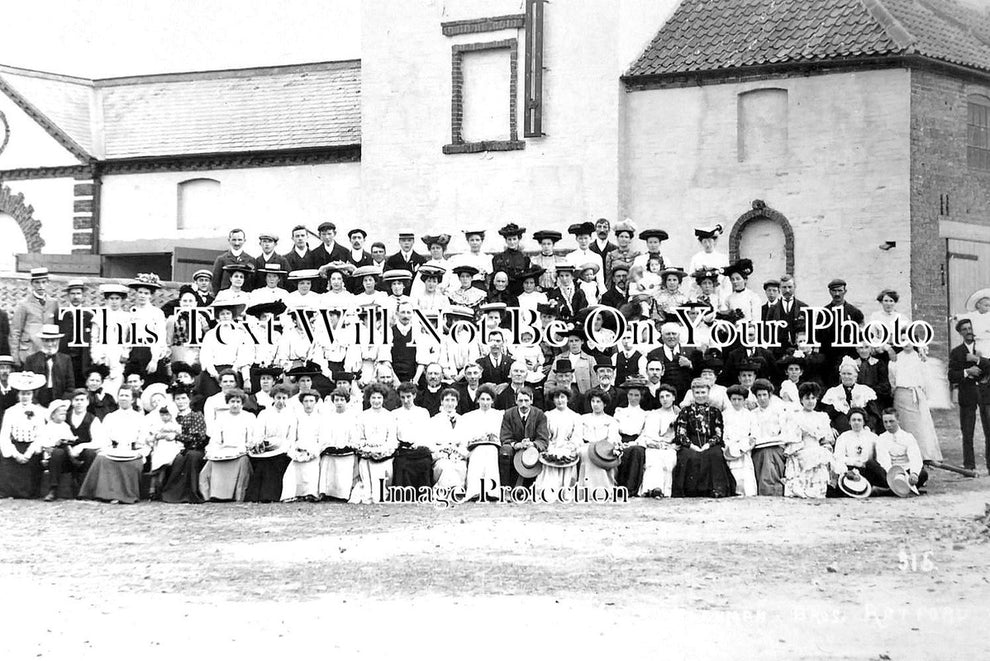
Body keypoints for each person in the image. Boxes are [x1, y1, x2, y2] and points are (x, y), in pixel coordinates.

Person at [77, 386, 149, 504]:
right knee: (101, 458)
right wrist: (106, 448)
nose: (123, 398)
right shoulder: (110, 417)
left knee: (130, 463)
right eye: (121, 395)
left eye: (127, 396)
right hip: (114, 449)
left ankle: (123, 495)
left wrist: (139, 450)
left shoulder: (140, 418)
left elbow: (144, 439)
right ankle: (100, 494)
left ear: (132, 399)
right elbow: (104, 438)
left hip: (132, 451)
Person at [671, 378, 734, 498]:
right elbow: (681, 433)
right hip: (690, 443)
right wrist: (692, 446)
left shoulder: (715, 411)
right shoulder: (685, 411)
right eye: (697, 393)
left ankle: (716, 489)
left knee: (715, 454)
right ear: (693, 394)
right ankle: (690, 490)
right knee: (688, 455)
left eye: (703, 392)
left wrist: (708, 445)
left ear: (708, 393)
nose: (700, 396)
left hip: (709, 443)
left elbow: (718, 434)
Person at [783, 382, 839, 499]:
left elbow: (826, 439)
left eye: (813, 398)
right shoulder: (796, 417)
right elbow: (793, 439)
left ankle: (818, 491)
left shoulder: (822, 417)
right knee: (814, 455)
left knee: (821, 454)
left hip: (818, 449)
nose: (810, 401)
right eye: (807, 398)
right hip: (802, 449)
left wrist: (826, 447)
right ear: (801, 400)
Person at [948, 318, 990, 471]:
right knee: (967, 431)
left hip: (986, 393)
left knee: (989, 429)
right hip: (967, 393)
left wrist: (977, 360)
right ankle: (969, 466)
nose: (968, 331)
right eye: (964, 329)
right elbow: (951, 375)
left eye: (970, 328)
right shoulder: (956, 352)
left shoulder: (984, 346)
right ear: (960, 333)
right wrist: (967, 372)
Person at [889, 341, 942, 462]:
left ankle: (923, 456)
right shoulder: (896, 359)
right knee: (903, 426)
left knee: (919, 426)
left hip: (916, 396)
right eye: (903, 340)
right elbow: (892, 378)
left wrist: (924, 395)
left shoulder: (920, 358)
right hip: (901, 396)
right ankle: (904, 457)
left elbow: (926, 378)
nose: (906, 343)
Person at [200, 389, 255, 502]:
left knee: (243, 461)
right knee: (208, 467)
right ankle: (213, 494)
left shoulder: (249, 417)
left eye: (238, 402)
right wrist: (214, 449)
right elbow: (216, 438)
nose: (235, 405)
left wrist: (245, 447)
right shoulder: (221, 417)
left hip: (240, 451)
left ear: (242, 403)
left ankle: (236, 495)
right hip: (223, 450)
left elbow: (251, 438)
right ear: (228, 403)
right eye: (232, 401)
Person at [0, 371, 48, 498]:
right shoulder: (10, 411)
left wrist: (28, 454)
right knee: (7, 466)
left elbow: (40, 435)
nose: (25, 397)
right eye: (22, 394)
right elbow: (4, 435)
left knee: (30, 480)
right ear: (18, 395)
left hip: (31, 448)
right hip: (15, 447)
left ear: (32, 395)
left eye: (28, 394)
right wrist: (16, 454)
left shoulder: (39, 411)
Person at [245, 384, 294, 503]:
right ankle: (258, 495)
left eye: (284, 398)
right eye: (278, 398)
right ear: (273, 398)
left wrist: (284, 447)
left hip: (283, 447)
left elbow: (291, 437)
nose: (281, 401)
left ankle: (271, 495)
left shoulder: (291, 415)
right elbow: (259, 433)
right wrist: (261, 444)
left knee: (277, 461)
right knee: (264, 463)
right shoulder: (264, 414)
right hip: (267, 447)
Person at [160, 385, 209, 504]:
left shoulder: (196, 416)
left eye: (183, 398)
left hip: (194, 448)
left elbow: (198, 438)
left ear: (189, 399)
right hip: (173, 447)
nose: (181, 402)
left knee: (190, 456)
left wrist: (176, 436)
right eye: (178, 399)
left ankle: (189, 493)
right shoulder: (172, 417)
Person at [351, 383, 398, 503]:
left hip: (384, 454)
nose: (376, 401)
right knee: (366, 465)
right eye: (373, 398)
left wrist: (382, 451)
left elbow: (391, 439)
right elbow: (358, 438)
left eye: (379, 398)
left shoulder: (389, 416)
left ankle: (380, 492)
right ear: (369, 398)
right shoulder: (362, 416)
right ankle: (368, 490)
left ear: (383, 398)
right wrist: (367, 449)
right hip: (367, 453)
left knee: (380, 471)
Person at [534, 387, 581, 495]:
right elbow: (544, 435)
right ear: (553, 400)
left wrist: (570, 447)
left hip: (568, 449)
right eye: (556, 397)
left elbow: (577, 437)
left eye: (562, 397)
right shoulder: (548, 415)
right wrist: (550, 447)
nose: (560, 400)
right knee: (552, 456)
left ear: (567, 399)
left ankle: (566, 492)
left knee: (565, 456)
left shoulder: (575, 416)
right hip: (551, 447)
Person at [499, 387, 549, 487]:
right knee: (505, 451)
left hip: (532, 450)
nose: (523, 405)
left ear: (531, 400)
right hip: (515, 447)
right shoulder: (508, 414)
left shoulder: (539, 415)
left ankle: (530, 488)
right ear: (516, 401)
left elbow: (543, 439)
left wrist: (533, 444)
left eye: (526, 400)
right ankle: (506, 487)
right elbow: (505, 436)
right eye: (520, 401)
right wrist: (515, 444)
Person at [9, 267, 59, 365]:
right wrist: (15, 357)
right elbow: (15, 331)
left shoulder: (54, 303)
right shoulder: (24, 304)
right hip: (28, 353)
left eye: (43, 282)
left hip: (47, 352)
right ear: (32, 283)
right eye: (37, 282)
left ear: (48, 283)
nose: (41, 286)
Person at [125, 273, 169, 385]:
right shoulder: (131, 311)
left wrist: (154, 360)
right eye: (140, 292)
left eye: (146, 293)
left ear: (151, 295)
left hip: (151, 350)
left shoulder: (157, 313)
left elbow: (160, 337)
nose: (142, 296)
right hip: (135, 351)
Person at [318, 386, 359, 501]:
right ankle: (327, 492)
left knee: (344, 469)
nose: (339, 403)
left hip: (346, 451)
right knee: (328, 464)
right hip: (331, 450)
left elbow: (354, 436)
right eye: (337, 400)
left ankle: (343, 494)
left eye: (342, 400)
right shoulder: (328, 417)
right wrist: (330, 445)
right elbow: (324, 434)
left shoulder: (352, 417)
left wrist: (347, 445)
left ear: (347, 401)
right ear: (333, 401)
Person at [750, 378, 789, 496]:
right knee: (764, 454)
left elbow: (784, 432)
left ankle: (771, 489)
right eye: (759, 395)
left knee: (768, 454)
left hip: (777, 447)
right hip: (759, 448)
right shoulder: (753, 414)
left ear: (770, 395)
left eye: (764, 395)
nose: (762, 398)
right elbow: (754, 433)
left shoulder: (779, 411)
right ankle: (769, 489)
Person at [281, 390, 323, 501]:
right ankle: (294, 494)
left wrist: (314, 452)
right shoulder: (297, 417)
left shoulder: (320, 418)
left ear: (316, 402)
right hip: (299, 449)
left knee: (312, 469)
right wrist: (294, 451)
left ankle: (311, 493)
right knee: (293, 471)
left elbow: (322, 439)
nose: (308, 404)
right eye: (306, 401)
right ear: (302, 403)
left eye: (311, 401)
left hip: (314, 450)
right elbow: (292, 437)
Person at [875, 407, 929, 490]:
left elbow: (915, 458)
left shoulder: (908, 437)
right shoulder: (881, 438)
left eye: (891, 421)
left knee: (923, 474)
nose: (888, 425)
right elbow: (884, 461)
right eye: (885, 422)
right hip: (889, 473)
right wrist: (893, 475)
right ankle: (902, 489)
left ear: (898, 420)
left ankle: (889, 490)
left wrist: (914, 473)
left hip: (906, 471)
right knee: (872, 465)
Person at [639, 383, 679, 497]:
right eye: (662, 397)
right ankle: (652, 488)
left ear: (673, 397)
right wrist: (659, 444)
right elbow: (650, 434)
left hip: (670, 447)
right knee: (654, 459)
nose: (665, 399)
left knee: (668, 458)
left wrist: (671, 445)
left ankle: (665, 490)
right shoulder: (653, 414)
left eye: (667, 396)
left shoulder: (678, 416)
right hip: (654, 446)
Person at [22, 324, 75, 407]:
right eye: (47, 341)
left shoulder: (65, 359)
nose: (50, 344)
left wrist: (62, 403)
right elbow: (27, 385)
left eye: (53, 340)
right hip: (38, 401)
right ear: (42, 341)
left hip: (60, 400)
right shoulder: (31, 360)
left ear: (58, 341)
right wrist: (35, 404)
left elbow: (70, 386)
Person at [832, 408, 886, 489]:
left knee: (872, 465)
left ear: (864, 422)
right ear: (849, 422)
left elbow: (882, 457)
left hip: (869, 470)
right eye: (853, 420)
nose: (856, 422)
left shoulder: (873, 437)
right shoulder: (843, 437)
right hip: (851, 471)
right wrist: (854, 462)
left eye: (859, 420)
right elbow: (838, 457)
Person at [614, 377, 649, 496]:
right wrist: (619, 442)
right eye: (631, 395)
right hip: (621, 440)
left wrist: (634, 443)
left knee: (636, 451)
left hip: (636, 442)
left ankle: (630, 488)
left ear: (641, 397)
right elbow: (614, 429)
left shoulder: (645, 414)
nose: (633, 398)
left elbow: (644, 432)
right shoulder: (620, 411)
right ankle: (618, 488)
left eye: (636, 395)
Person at [722, 384, 757, 496]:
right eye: (734, 399)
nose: (736, 402)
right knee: (733, 471)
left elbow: (754, 434)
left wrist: (746, 445)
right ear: (730, 400)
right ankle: (735, 492)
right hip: (729, 447)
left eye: (739, 399)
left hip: (744, 447)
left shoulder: (749, 415)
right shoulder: (724, 415)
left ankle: (748, 493)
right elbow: (722, 434)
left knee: (746, 473)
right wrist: (729, 446)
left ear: (744, 400)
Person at [58, 279, 93, 387]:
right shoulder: (60, 315)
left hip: (82, 359)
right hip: (65, 357)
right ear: (68, 296)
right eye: (72, 294)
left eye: (78, 293)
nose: (76, 296)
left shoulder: (89, 316)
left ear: (83, 296)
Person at [431, 389, 466, 491]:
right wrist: (443, 453)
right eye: (447, 400)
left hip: (458, 457)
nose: (450, 403)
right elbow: (430, 443)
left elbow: (466, 441)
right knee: (446, 466)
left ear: (457, 402)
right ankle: (445, 492)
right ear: (442, 402)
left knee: (460, 467)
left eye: (453, 400)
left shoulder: (463, 420)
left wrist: (458, 453)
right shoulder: (434, 420)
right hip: (441, 457)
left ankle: (457, 491)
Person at [310, 221, 351, 292]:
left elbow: (348, 272)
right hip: (320, 289)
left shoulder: (344, 251)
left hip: (340, 290)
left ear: (334, 233)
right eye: (323, 234)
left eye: (329, 234)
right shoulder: (314, 253)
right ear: (319, 235)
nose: (327, 237)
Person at [211, 228, 255, 294]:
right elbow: (215, 281)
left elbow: (253, 281)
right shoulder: (221, 259)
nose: (237, 243)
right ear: (229, 240)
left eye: (240, 240)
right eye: (234, 240)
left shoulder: (250, 260)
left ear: (244, 240)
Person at [283, 225, 315, 291]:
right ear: (292, 238)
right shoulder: (285, 259)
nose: (300, 238)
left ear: (307, 237)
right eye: (297, 236)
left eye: (302, 235)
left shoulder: (315, 255)